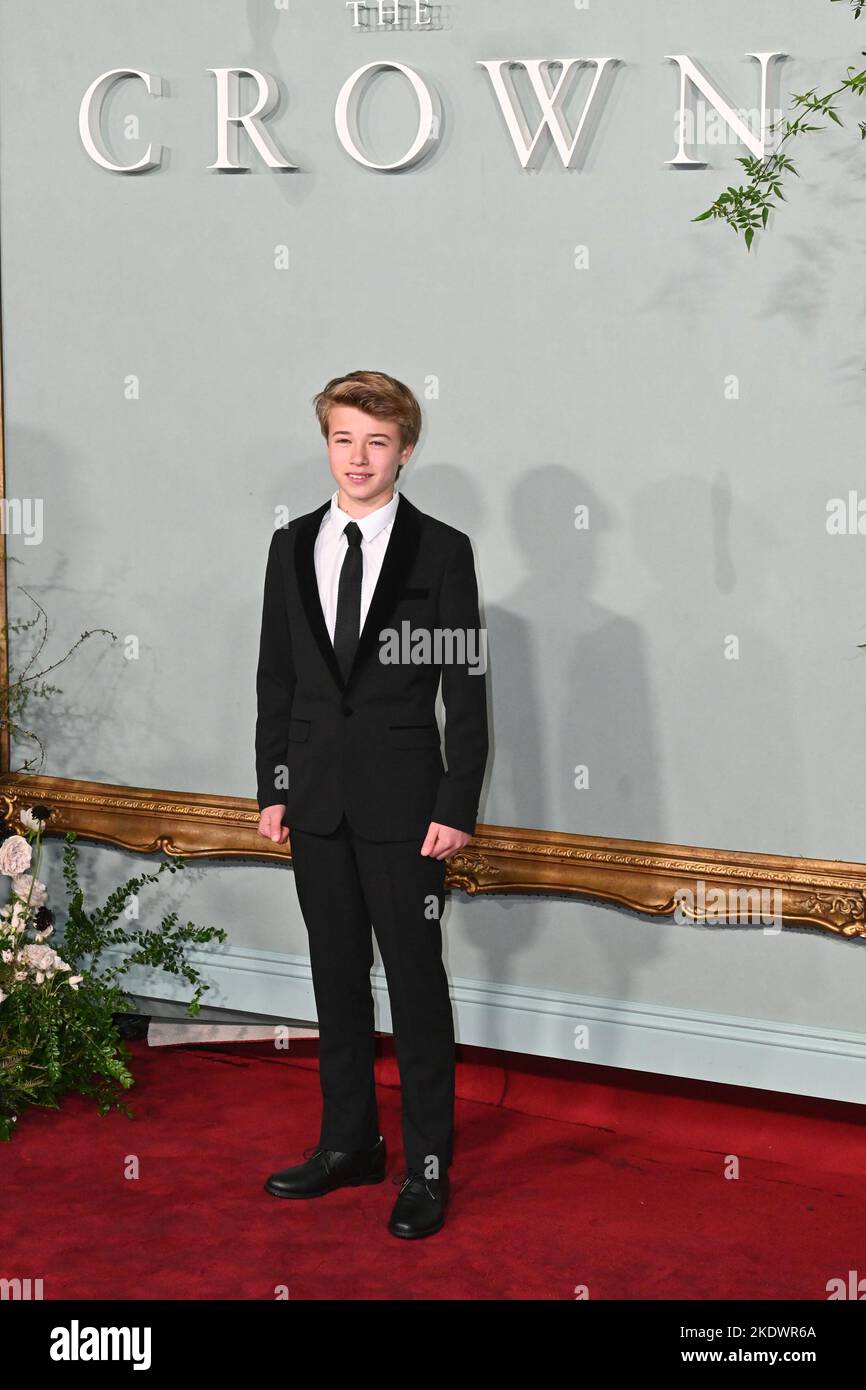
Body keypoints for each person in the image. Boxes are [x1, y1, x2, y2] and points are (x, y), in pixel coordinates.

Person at [255, 369, 489, 1238]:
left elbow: (463, 693)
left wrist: (456, 802)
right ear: (326, 443)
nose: (359, 457)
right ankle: (349, 1143)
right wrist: (272, 785)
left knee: (418, 987)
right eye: (344, 438)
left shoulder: (442, 551)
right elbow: (275, 678)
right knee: (335, 982)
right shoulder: (290, 546)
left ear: (407, 450)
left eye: (378, 441)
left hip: (406, 808)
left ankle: (428, 1167)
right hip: (313, 802)